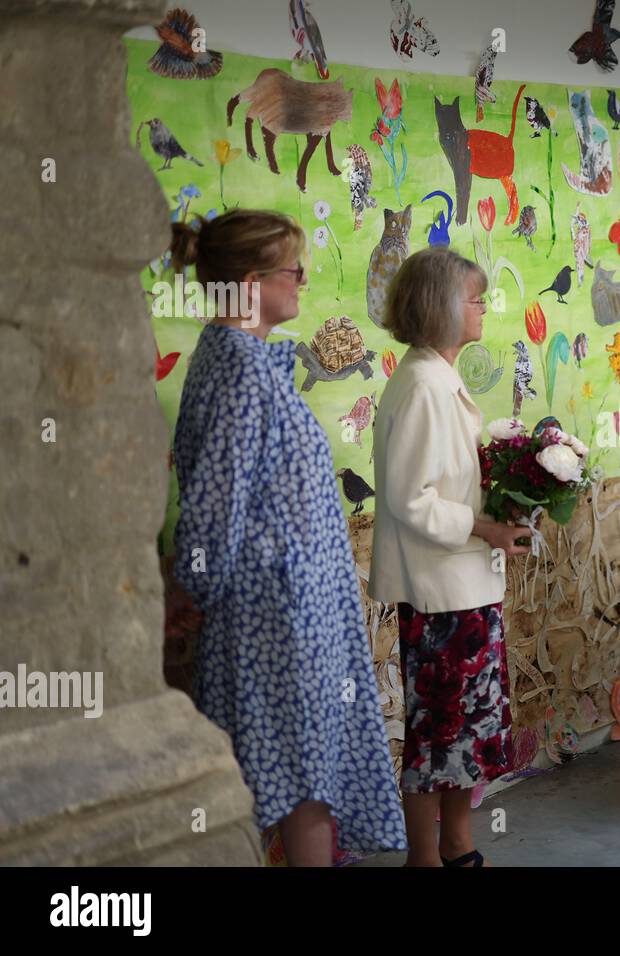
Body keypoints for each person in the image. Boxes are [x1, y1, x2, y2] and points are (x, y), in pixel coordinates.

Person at [167, 210, 407, 865]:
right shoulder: (239, 368)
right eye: (291, 269)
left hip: (289, 616)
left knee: (303, 786)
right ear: (250, 283)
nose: (303, 278)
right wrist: (186, 591)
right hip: (275, 623)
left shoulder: (240, 360)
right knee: (301, 788)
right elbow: (215, 506)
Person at [368, 247, 531, 867]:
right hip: (440, 593)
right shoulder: (421, 384)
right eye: (475, 297)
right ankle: (424, 857)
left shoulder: (438, 376)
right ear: (441, 306)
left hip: (463, 586)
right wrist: (484, 527)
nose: (484, 307)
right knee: (437, 734)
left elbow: (449, 482)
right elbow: (411, 498)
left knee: (470, 731)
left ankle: (458, 845)